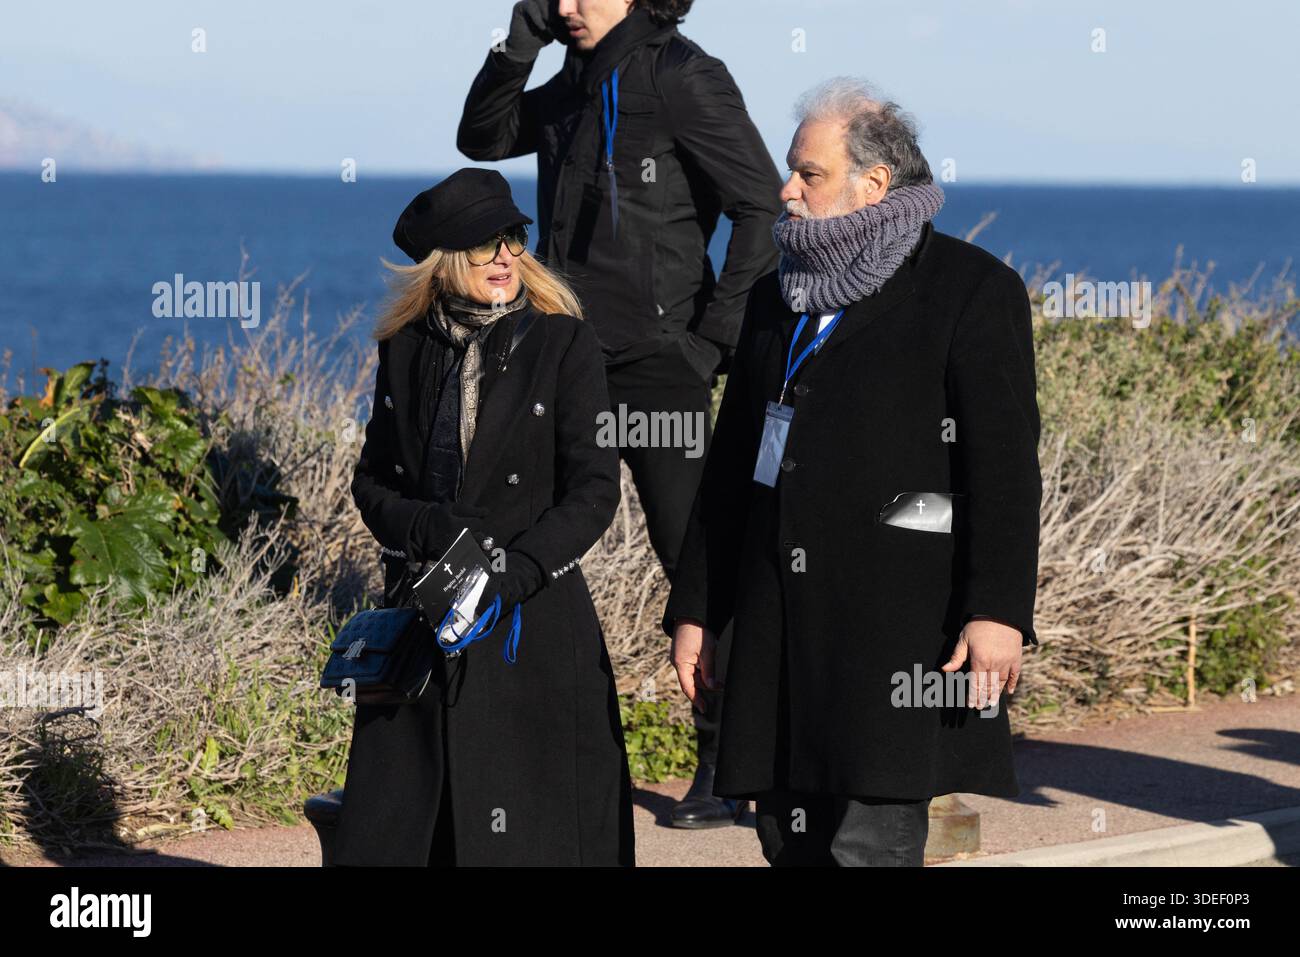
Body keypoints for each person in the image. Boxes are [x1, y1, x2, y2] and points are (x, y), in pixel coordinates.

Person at [663, 78, 1043, 866]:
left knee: (869, 846)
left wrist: (997, 610)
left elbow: (1004, 469)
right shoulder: (777, 296)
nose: (786, 189)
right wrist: (697, 610)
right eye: (791, 171)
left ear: (873, 184)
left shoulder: (970, 291)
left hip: (897, 633)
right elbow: (731, 471)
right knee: (785, 841)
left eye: (809, 173)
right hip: (779, 634)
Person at [458, 0, 784, 829]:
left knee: (697, 554)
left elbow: (761, 208)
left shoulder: (683, 76)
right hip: (564, 355)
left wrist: (710, 342)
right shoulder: (570, 80)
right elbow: (483, 140)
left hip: (660, 366)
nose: (566, 6)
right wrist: (516, 44)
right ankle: (506, 751)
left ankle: (728, 764)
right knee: (520, 534)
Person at [334, 168, 635, 866]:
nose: (505, 256)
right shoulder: (402, 347)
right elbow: (373, 481)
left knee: (536, 839)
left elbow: (594, 490)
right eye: (482, 244)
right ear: (443, 260)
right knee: (402, 834)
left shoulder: (564, 344)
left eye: (513, 238)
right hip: (422, 627)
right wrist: (427, 529)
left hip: (531, 629)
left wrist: (510, 574)